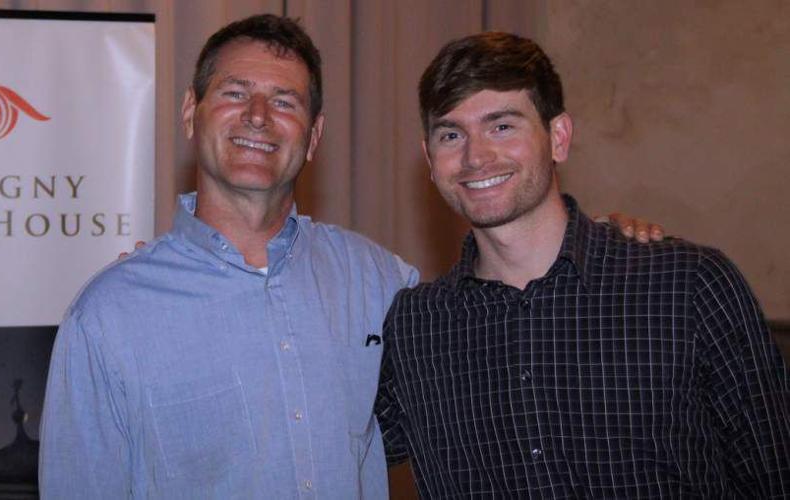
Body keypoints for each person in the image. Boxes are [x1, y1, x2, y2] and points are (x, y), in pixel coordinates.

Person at [40, 15, 662, 499]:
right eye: (234, 93)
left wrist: (595, 241)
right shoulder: (111, 315)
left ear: (313, 136)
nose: (258, 117)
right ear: (188, 113)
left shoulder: (384, 282)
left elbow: (506, 324)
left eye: (285, 101)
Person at [374, 32, 790, 498]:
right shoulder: (415, 326)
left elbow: (773, 474)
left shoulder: (688, 285)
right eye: (451, 134)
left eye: (502, 126)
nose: (475, 156)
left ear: (558, 137)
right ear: (430, 160)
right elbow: (327, 447)